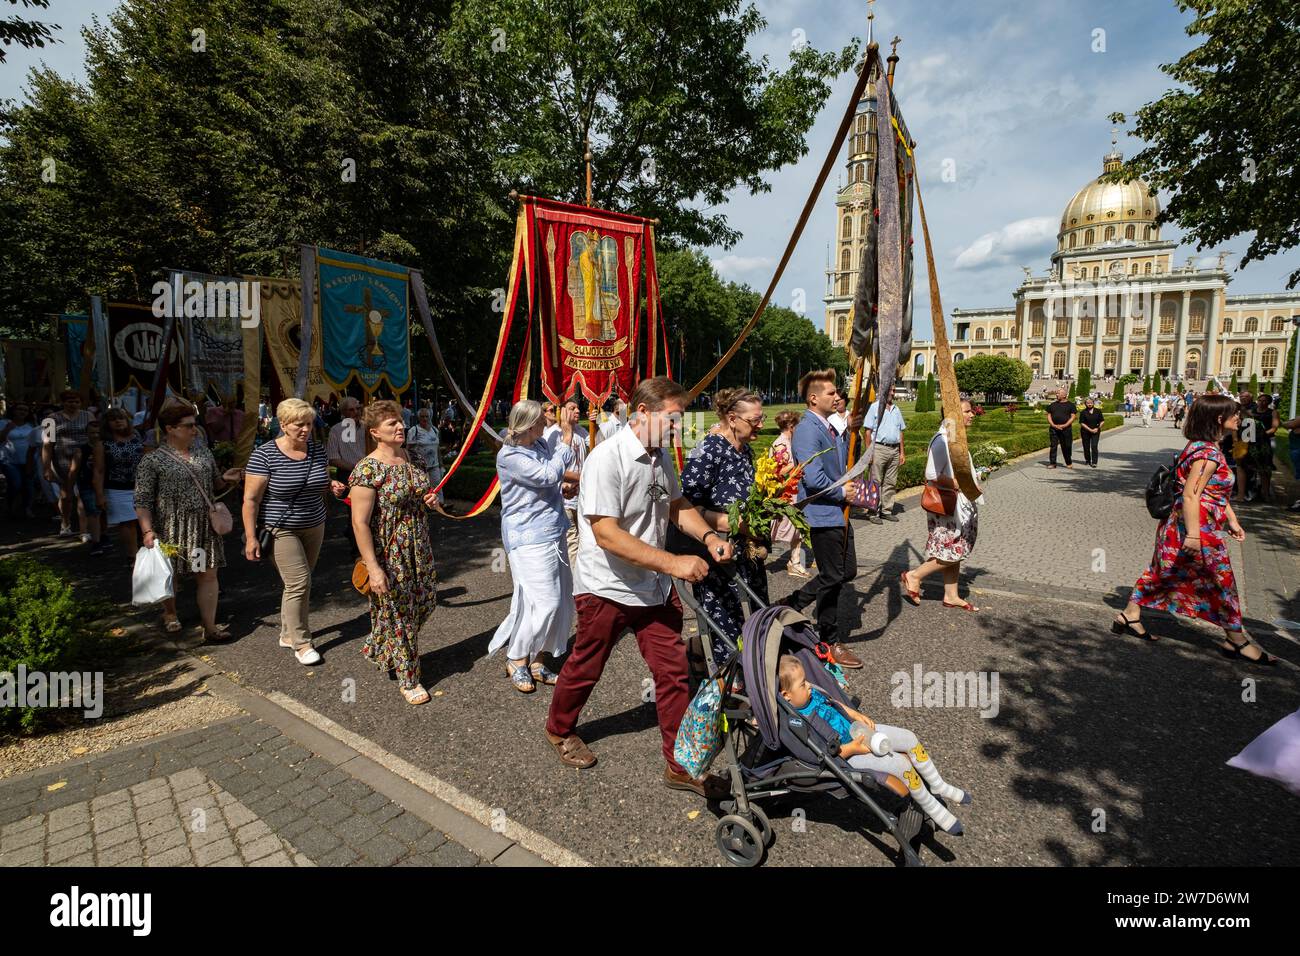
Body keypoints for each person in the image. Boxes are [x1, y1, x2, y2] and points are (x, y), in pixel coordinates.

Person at [544, 376, 735, 798]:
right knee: (586, 665)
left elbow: (675, 505)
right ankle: (559, 729)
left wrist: (707, 538)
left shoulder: (659, 456)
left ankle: (680, 764)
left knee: (672, 673)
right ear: (643, 412)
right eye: (672, 420)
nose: (677, 429)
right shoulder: (605, 459)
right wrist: (675, 562)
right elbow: (607, 534)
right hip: (605, 586)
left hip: (651, 587)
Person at [1114, 394, 1277, 665]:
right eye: (1234, 413)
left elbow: (1214, 494)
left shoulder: (1202, 446)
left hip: (1188, 524)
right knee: (1221, 581)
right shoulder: (1208, 453)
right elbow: (1192, 495)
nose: (1240, 417)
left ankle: (1130, 616)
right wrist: (1193, 534)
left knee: (1163, 572)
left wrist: (1232, 520)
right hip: (1195, 527)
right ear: (1218, 418)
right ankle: (1236, 640)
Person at [778, 655, 970, 835]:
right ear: (786, 695)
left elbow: (833, 703)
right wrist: (854, 748)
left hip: (857, 729)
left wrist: (855, 714)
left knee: (909, 738)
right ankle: (931, 805)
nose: (809, 686)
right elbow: (824, 754)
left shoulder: (811, 696)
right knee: (901, 765)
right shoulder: (799, 722)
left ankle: (938, 785)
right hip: (850, 754)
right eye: (803, 684)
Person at [349, 400, 440, 704]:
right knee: (401, 614)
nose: (400, 426)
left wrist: (431, 499)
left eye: (400, 421)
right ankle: (409, 677)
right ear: (375, 432)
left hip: (420, 546)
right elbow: (360, 523)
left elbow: (426, 495)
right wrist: (374, 568)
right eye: (391, 423)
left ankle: (380, 643)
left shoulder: (413, 458)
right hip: (391, 552)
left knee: (427, 601)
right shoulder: (368, 469)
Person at [242, 399, 345, 666]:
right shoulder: (264, 455)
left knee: (297, 583)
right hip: (280, 528)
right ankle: (302, 642)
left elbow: (320, 480)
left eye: (309, 424)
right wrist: (251, 537)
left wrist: (331, 485)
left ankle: (287, 634)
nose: (305, 430)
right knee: (300, 582)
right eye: (299, 425)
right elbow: (251, 500)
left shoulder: (316, 450)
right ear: (284, 425)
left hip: (314, 523)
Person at [489, 400, 581, 692]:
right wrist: (566, 436)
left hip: (554, 530)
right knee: (545, 601)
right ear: (529, 425)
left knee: (562, 598)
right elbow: (546, 475)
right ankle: (516, 658)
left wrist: (564, 488)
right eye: (543, 419)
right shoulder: (509, 455)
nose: (548, 423)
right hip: (528, 537)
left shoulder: (538, 445)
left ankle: (538, 659)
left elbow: (549, 481)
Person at [135, 401, 244, 640]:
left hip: (204, 526)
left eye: (194, 425)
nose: (195, 430)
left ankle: (210, 627)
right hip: (170, 527)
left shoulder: (203, 451)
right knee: (170, 574)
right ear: (170, 428)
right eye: (188, 426)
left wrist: (227, 478)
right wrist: (147, 531)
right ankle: (171, 613)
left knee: (207, 575)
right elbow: (142, 500)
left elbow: (215, 484)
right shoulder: (152, 461)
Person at [783, 370, 869, 667]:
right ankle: (828, 639)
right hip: (824, 513)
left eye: (837, 393)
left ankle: (795, 602)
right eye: (831, 393)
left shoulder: (828, 427)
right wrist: (841, 493)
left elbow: (841, 463)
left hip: (838, 513)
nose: (838, 397)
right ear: (814, 398)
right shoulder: (807, 429)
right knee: (833, 575)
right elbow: (814, 476)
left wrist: (850, 432)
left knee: (846, 571)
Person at [679, 387, 770, 663]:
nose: (761, 425)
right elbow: (686, 507)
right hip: (719, 558)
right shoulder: (707, 450)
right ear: (732, 418)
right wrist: (730, 523)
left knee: (755, 622)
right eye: (754, 420)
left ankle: (750, 676)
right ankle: (724, 687)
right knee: (726, 630)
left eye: (761, 417)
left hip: (748, 555)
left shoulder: (746, 450)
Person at [901, 399, 982, 612]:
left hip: (957, 501)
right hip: (947, 503)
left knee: (956, 547)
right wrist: (960, 483)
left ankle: (951, 595)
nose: (972, 414)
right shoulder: (942, 440)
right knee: (951, 549)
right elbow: (931, 475)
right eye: (967, 411)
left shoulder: (953, 439)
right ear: (953, 416)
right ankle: (914, 575)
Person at [41, 390, 97, 539]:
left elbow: (95, 435)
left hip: (85, 459)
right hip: (61, 460)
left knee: (82, 494)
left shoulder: (89, 416)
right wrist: (46, 467)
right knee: (66, 495)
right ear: (63, 402)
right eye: (69, 401)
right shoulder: (50, 419)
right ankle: (65, 523)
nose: (73, 404)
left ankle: (84, 530)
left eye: (76, 401)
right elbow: (47, 445)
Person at [94, 407, 145, 555]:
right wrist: (99, 495)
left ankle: (148, 554)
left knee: (145, 522)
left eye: (121, 418)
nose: (118, 421)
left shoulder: (139, 437)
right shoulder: (102, 444)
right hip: (117, 489)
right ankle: (133, 557)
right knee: (127, 523)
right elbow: (98, 471)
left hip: (142, 487)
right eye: (113, 419)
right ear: (107, 423)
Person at [544, 398, 588, 570]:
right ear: (561, 411)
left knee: (585, 538)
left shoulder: (583, 431)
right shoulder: (553, 435)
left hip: (582, 496)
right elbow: (549, 468)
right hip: (564, 498)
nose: (577, 411)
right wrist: (581, 477)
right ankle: (576, 585)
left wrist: (596, 423)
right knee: (572, 540)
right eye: (572, 408)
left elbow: (599, 446)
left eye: (578, 408)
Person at [770, 410, 811, 578]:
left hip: (794, 492)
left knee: (798, 528)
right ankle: (752, 554)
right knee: (775, 528)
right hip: (785, 494)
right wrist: (798, 463)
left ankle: (794, 561)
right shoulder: (781, 444)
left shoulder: (790, 442)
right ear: (791, 426)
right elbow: (776, 471)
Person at [863, 384, 906, 523]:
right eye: (891, 390)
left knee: (890, 482)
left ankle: (886, 510)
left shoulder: (896, 409)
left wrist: (902, 452)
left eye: (894, 390)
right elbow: (867, 431)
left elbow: (901, 431)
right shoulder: (874, 407)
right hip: (879, 449)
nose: (893, 393)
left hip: (894, 450)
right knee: (875, 481)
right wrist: (869, 452)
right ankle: (873, 512)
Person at [0, 401, 37, 519]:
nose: (22, 412)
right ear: (13, 411)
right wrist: (7, 429)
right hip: (8, 460)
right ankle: (9, 506)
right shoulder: (4, 422)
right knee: (15, 483)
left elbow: (36, 441)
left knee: (29, 485)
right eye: (19, 409)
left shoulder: (31, 425)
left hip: (29, 460)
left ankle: (27, 509)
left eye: (25, 410)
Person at [1246, 393, 1280, 503]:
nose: (1261, 402)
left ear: (1269, 402)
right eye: (1260, 400)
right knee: (1253, 466)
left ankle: (1265, 492)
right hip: (1253, 441)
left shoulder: (1272, 412)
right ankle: (1254, 489)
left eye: (1264, 400)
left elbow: (1274, 427)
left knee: (1265, 467)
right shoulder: (1252, 411)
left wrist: (1263, 434)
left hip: (1266, 441)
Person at [406, 407, 443, 503]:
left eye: (427, 416)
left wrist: (441, 465)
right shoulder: (414, 431)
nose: (425, 419)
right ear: (419, 418)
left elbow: (437, 449)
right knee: (422, 488)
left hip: (434, 466)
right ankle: (422, 507)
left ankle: (439, 506)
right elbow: (408, 449)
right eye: (422, 416)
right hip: (420, 467)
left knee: (438, 487)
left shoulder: (434, 430)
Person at [1045, 387, 1076, 468]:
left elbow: (1073, 417)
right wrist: (1053, 425)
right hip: (1054, 428)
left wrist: (1065, 425)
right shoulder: (1052, 405)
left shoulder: (1071, 405)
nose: (1056, 394)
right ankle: (1052, 463)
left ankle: (1068, 462)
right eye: (1057, 393)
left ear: (1064, 395)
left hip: (1066, 428)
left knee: (1067, 446)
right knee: (1053, 446)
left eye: (1058, 393)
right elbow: (1049, 415)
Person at [1078, 397, 1104, 468]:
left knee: (1094, 446)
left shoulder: (1098, 411)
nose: (1089, 404)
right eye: (1088, 403)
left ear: (1093, 403)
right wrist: (1090, 429)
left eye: (1091, 403)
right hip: (1085, 432)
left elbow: (1102, 421)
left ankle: (1094, 462)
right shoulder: (1083, 412)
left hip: (1096, 431)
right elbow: (1082, 423)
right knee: (1086, 447)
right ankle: (1087, 460)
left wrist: (1098, 428)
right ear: (1085, 404)